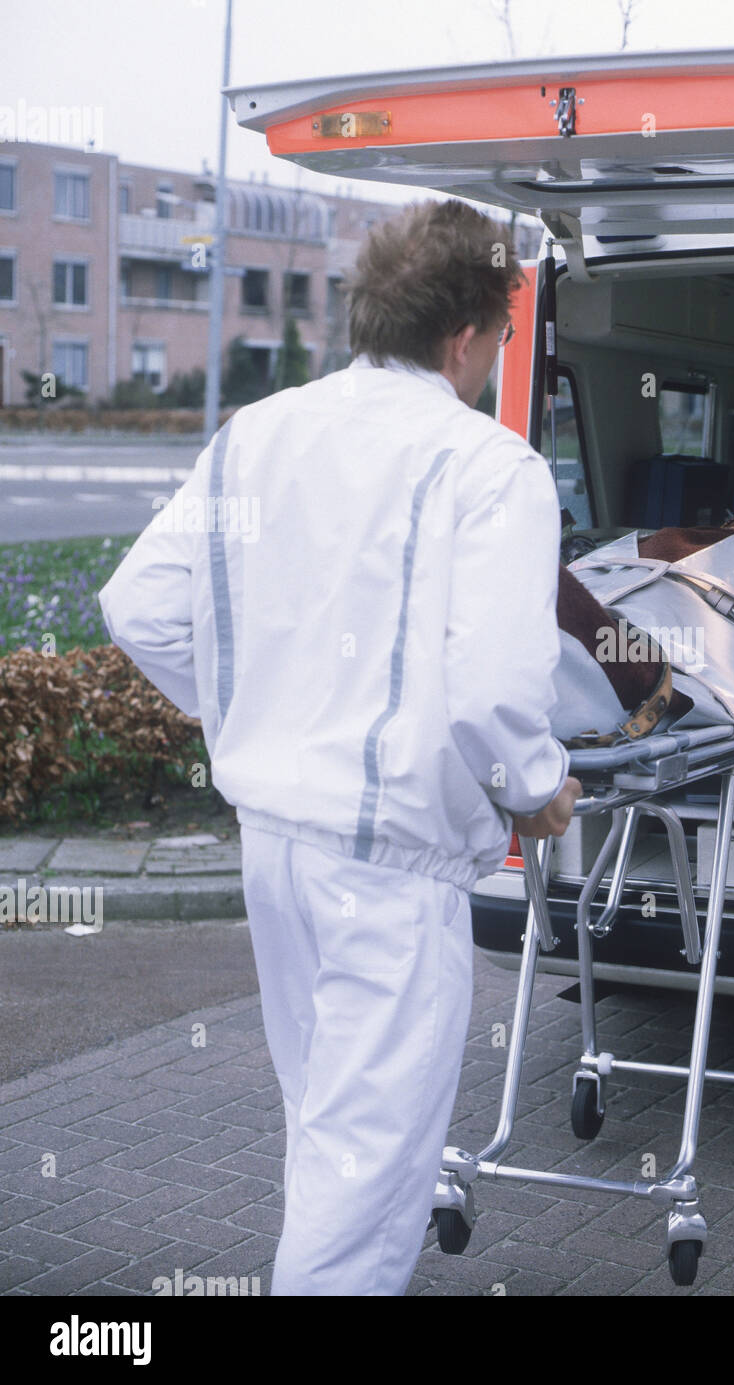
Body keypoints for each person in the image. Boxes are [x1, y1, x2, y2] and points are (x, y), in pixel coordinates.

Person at [99, 199, 581, 1294]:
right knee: (367, 1184)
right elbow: (497, 689)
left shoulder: (255, 435)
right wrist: (539, 788)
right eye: (503, 337)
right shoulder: (487, 465)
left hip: (273, 846)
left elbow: (138, 605)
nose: (497, 359)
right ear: (465, 338)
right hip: (390, 867)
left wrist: (252, 710)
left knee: (325, 1134)